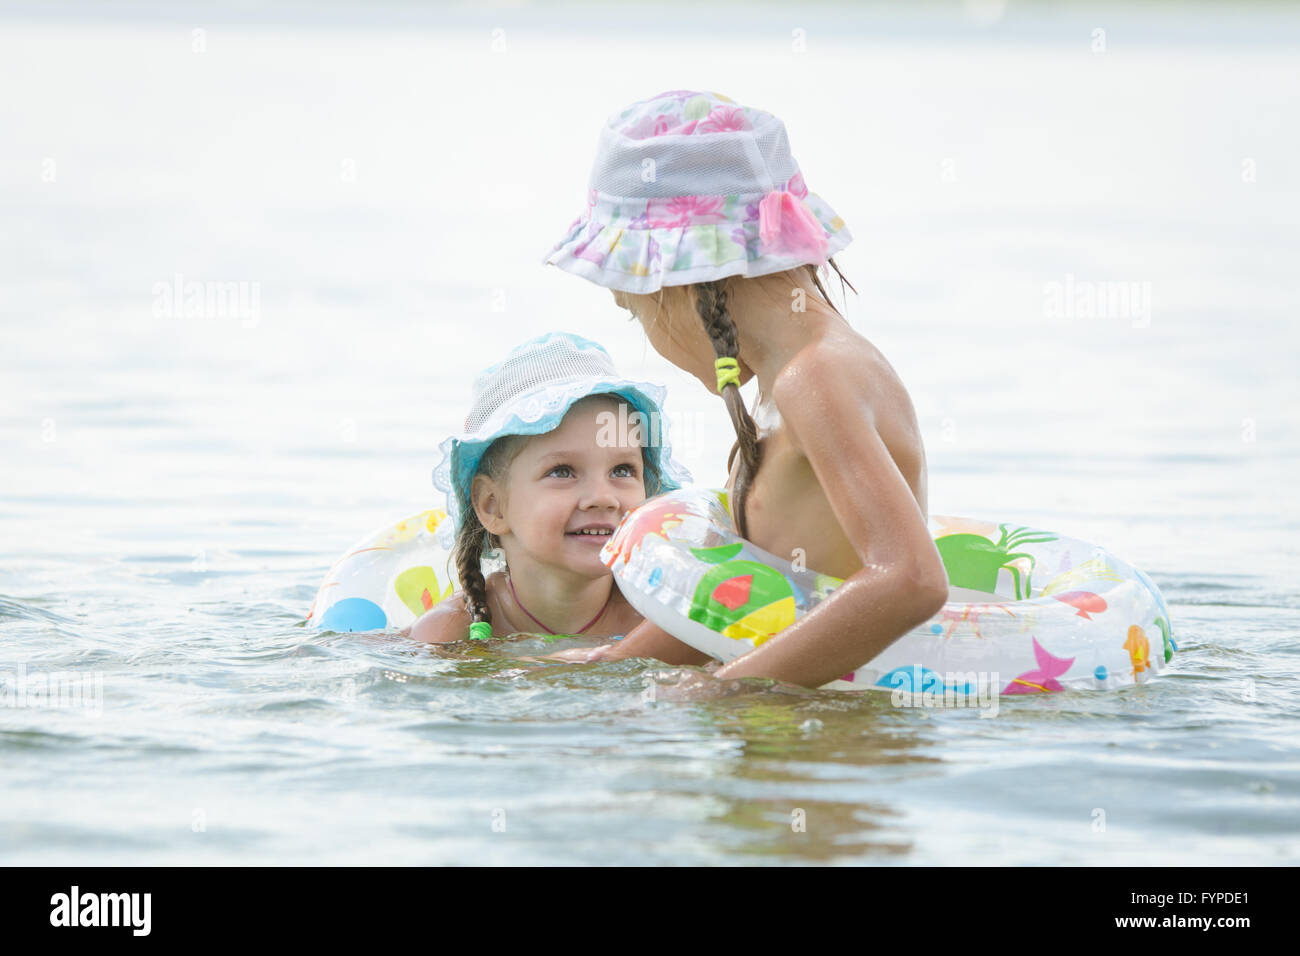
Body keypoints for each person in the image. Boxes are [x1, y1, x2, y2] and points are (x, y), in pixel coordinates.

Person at [541, 90, 949, 688]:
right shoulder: (793, 379)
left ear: (678, 281)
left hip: (836, 755)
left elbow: (909, 579)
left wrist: (728, 687)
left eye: (634, 311)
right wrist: (619, 659)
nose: (646, 331)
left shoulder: (818, 377)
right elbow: (764, 588)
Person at [407, 331, 691, 643]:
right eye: (563, 472)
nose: (602, 497)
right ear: (492, 505)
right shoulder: (451, 632)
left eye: (622, 470)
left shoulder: (664, 626)